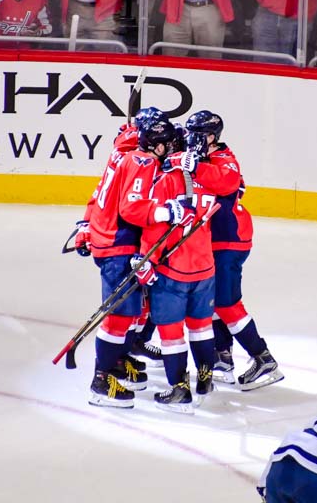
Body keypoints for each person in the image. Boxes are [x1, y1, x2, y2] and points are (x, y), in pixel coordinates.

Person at [79, 115, 189, 408]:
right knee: (119, 317)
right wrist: (167, 212)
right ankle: (101, 381)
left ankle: (113, 365)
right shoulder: (143, 162)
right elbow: (131, 208)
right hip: (117, 243)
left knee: (127, 313)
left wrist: (86, 225)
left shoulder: (123, 154)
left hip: (108, 239)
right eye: (167, 144)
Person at [181, 111, 284, 391]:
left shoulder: (224, 158)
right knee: (212, 300)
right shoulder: (200, 157)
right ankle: (221, 357)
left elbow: (226, 181)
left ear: (213, 136)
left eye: (198, 134)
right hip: (211, 241)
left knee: (227, 303)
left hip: (230, 240)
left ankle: (264, 359)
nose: (192, 139)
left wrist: (196, 167)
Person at [135, 132, 219, 414]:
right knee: (201, 327)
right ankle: (205, 382)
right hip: (205, 266)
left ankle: (179, 391)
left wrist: (146, 259)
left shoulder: (167, 180)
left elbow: (155, 228)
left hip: (173, 269)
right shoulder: (209, 177)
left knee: (171, 332)